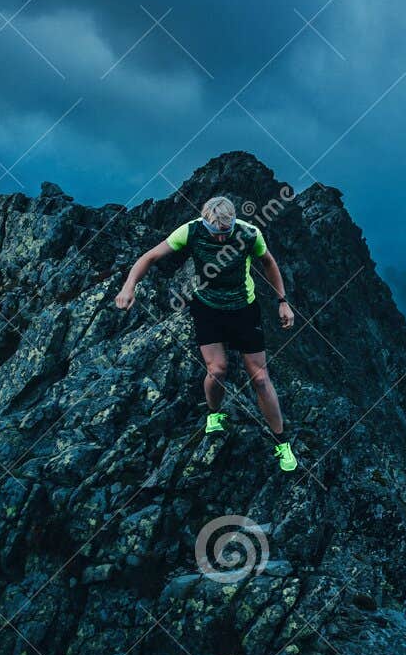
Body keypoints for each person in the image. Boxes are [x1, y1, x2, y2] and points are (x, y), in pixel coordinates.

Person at [115, 196, 298, 471]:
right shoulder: (190, 231)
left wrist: (282, 301)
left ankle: (282, 442)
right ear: (205, 223)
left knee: (260, 378)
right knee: (217, 370)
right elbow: (149, 257)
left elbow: (268, 263)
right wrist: (128, 286)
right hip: (208, 308)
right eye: (215, 233)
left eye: (226, 232)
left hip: (244, 309)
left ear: (233, 222)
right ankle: (214, 414)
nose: (222, 238)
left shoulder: (250, 234)